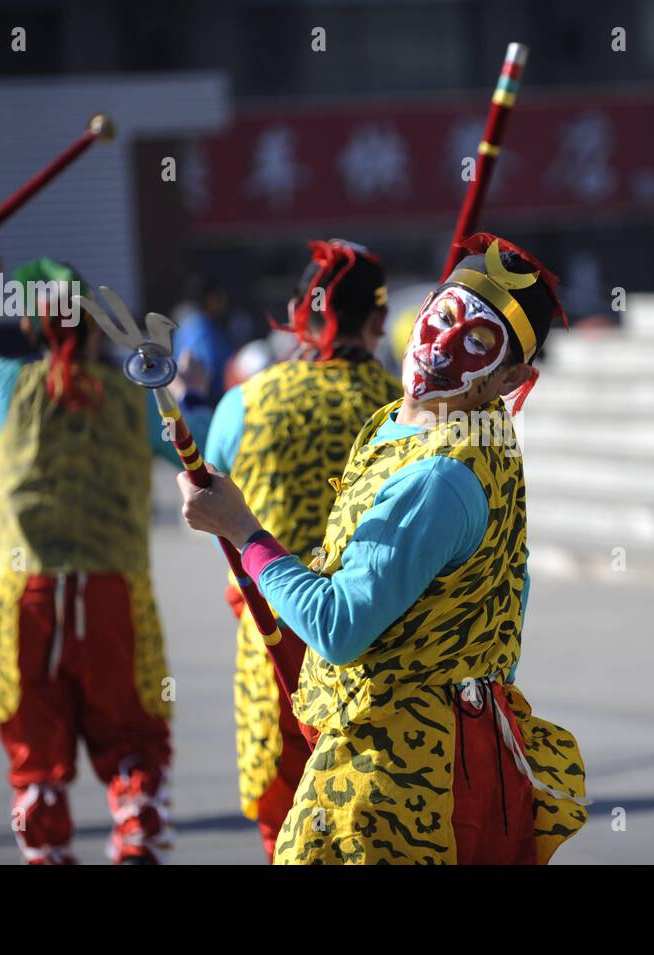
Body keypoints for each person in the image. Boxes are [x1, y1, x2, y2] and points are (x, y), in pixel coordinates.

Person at [179, 233, 588, 864]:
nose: (442, 346)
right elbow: (512, 584)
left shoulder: (439, 474)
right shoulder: (452, 423)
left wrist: (243, 531)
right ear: (409, 312)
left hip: (397, 776)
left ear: (513, 378)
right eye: (444, 316)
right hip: (448, 735)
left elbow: (340, 626)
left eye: (477, 341)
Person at [0, 240, 206, 864]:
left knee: (37, 762)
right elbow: (202, 450)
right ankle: (137, 829)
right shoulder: (138, 400)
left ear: (32, 325)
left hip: (28, 597)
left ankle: (47, 850)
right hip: (112, 598)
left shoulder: (5, 386)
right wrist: (189, 397)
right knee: (132, 739)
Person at [204, 239, 402, 860]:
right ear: (379, 321)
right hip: (377, 644)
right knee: (376, 823)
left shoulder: (245, 403)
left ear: (297, 312)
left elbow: (210, 508)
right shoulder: (405, 409)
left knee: (288, 824)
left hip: (270, 634)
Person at [172, 275, 233, 408]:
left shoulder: (195, 324)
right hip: (204, 406)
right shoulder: (201, 328)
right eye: (220, 297)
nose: (224, 301)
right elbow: (206, 372)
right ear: (210, 299)